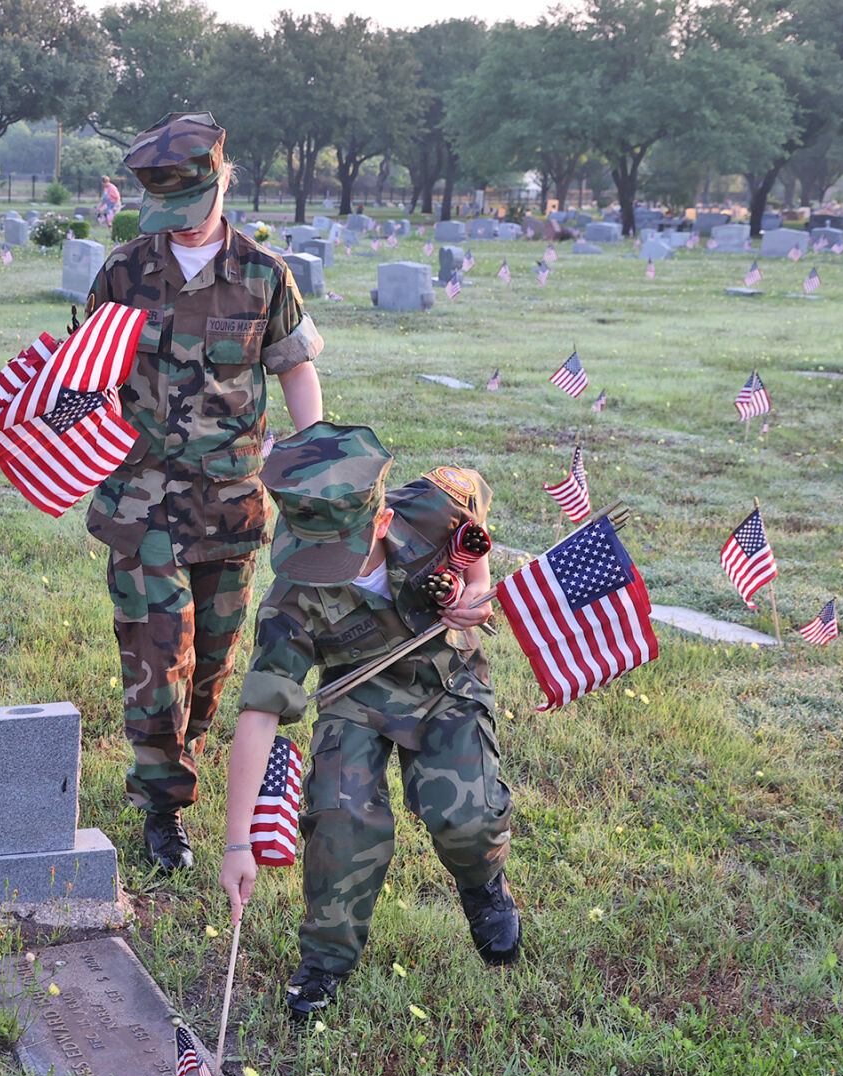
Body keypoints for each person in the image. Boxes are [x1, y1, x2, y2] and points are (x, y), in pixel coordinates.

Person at [84, 112, 324, 870]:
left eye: (192, 204)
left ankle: (183, 750)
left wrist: (314, 457)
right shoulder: (122, 272)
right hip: (142, 501)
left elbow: (294, 368)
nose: (181, 224)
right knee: (159, 655)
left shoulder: (263, 274)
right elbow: (82, 375)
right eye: (167, 209)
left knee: (211, 666)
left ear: (223, 183)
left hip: (228, 502)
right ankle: (163, 806)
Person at [218, 423, 520, 1022]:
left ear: (381, 521)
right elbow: (260, 715)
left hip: (443, 680)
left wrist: (475, 586)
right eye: (312, 553)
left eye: (335, 555)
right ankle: (325, 961)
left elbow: (476, 534)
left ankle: (483, 885)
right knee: (342, 820)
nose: (322, 568)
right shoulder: (291, 599)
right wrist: (236, 842)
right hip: (354, 695)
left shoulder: (434, 507)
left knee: (465, 815)